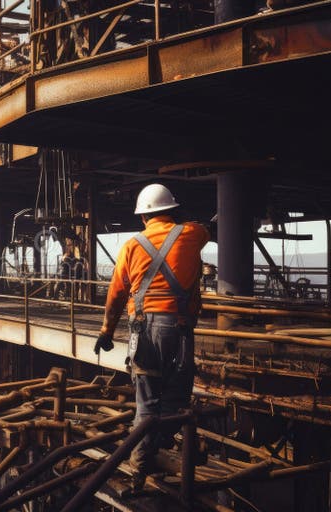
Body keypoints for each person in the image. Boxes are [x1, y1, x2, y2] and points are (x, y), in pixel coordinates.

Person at [93, 183, 209, 490]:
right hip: (178, 328)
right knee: (176, 396)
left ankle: (138, 468)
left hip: (140, 327)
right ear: (172, 211)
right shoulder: (191, 234)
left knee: (145, 401)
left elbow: (116, 292)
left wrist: (106, 330)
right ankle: (158, 443)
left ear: (144, 218)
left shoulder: (132, 245)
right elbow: (203, 228)